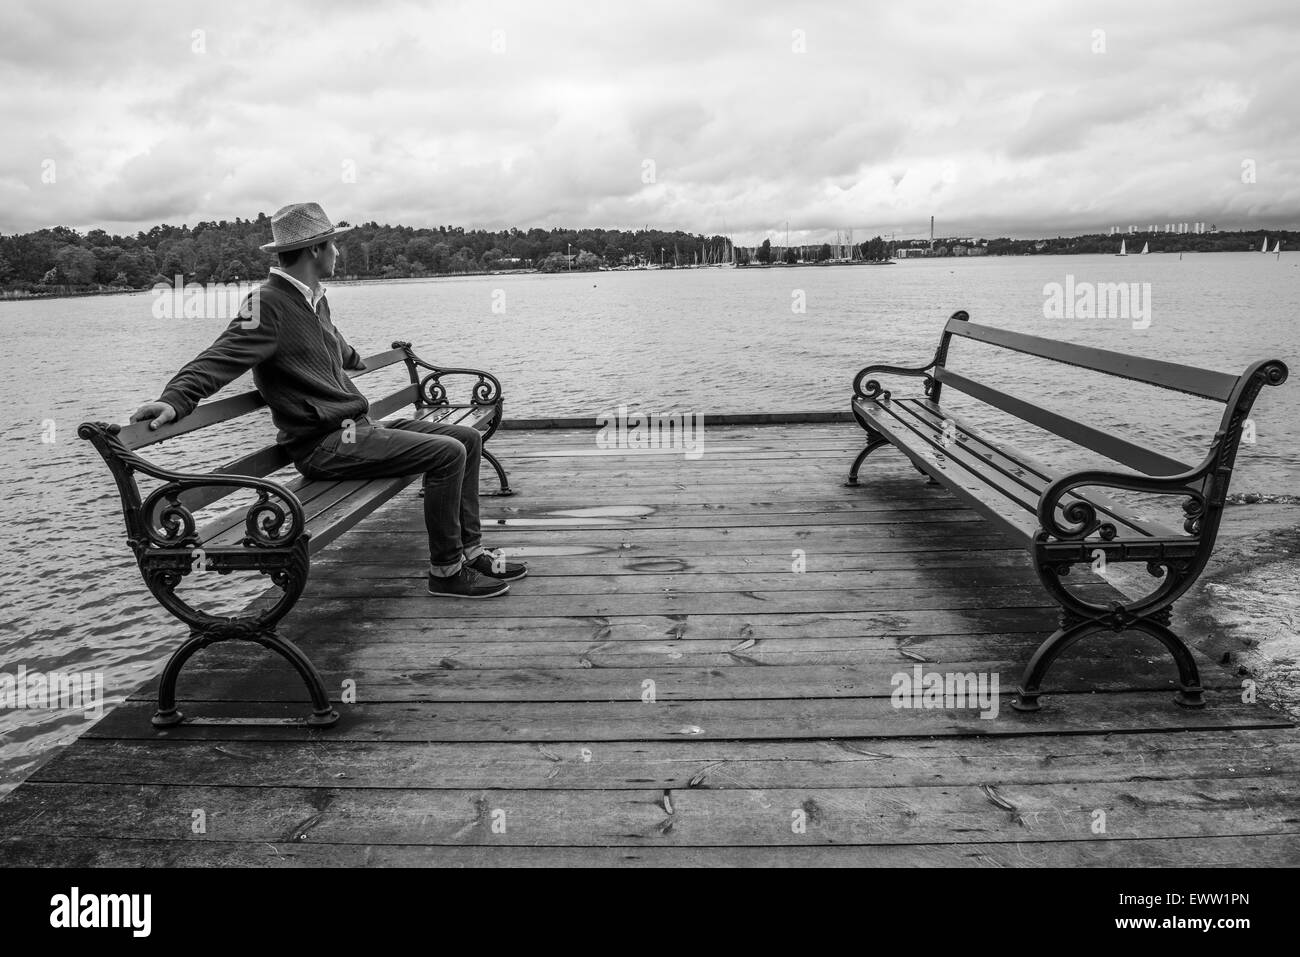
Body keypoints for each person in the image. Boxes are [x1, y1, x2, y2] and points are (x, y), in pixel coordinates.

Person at [130, 202, 524, 599]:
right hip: (323, 445)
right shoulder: (267, 304)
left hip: (356, 431)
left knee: (466, 441)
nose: (338, 252)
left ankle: (470, 552)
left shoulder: (313, 299)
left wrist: (353, 358)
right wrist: (176, 399)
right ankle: (446, 570)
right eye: (333, 245)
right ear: (315, 249)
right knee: (447, 454)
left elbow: (330, 341)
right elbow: (221, 356)